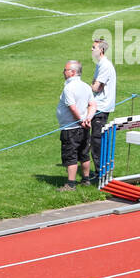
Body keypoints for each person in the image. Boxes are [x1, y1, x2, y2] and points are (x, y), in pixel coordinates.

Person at [56, 59, 93, 191]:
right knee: (84, 154)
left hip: (71, 128)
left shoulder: (69, 88)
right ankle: (86, 179)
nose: (63, 72)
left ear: (72, 72)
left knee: (70, 155)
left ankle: (70, 184)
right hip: (83, 127)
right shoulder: (86, 86)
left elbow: (72, 108)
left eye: (65, 70)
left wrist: (80, 120)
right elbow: (93, 105)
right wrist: (88, 119)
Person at [87, 37, 116, 186]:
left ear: (101, 50)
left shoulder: (104, 65)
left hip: (101, 108)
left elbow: (96, 87)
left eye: (94, 48)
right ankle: (101, 171)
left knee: (97, 141)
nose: (91, 50)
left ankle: (100, 174)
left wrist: (89, 86)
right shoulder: (101, 64)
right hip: (100, 106)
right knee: (96, 140)